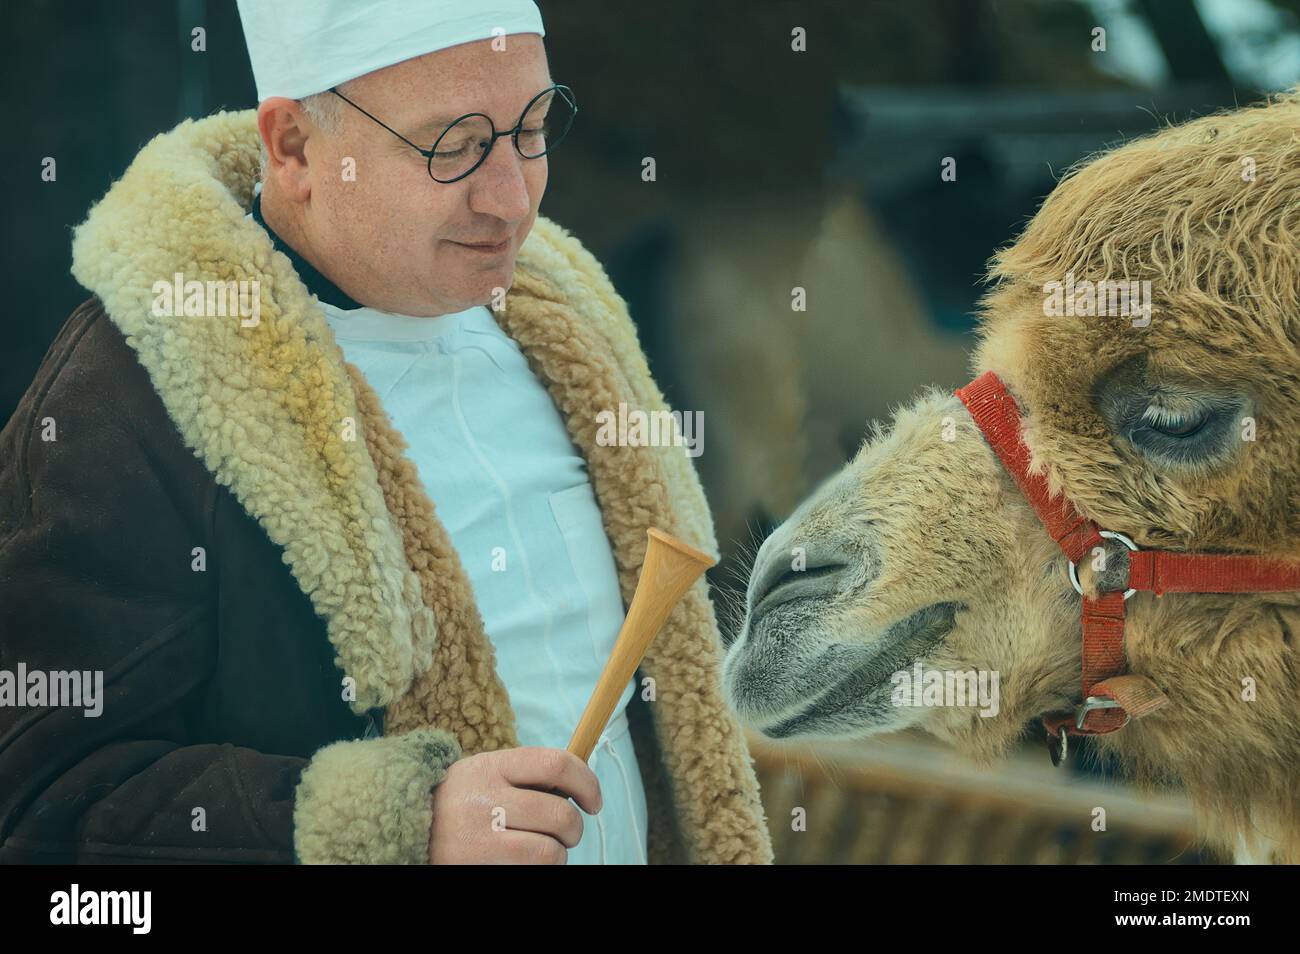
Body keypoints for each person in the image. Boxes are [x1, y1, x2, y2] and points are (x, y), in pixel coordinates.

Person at [0, 0, 772, 865]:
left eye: (533, 128)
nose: (512, 201)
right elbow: (39, 811)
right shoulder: (130, 391)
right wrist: (399, 830)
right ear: (293, 146)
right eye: (455, 144)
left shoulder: (566, 309)